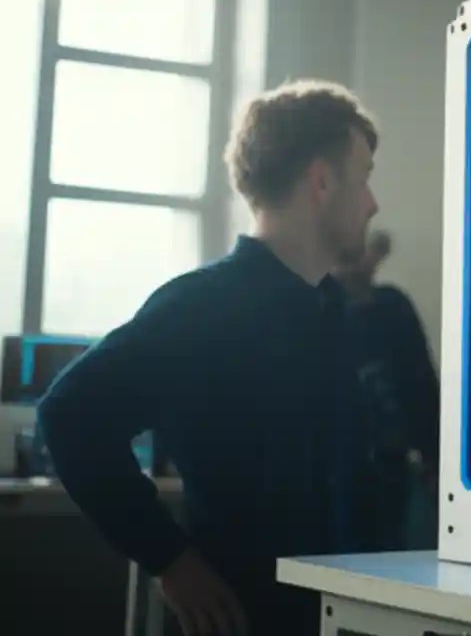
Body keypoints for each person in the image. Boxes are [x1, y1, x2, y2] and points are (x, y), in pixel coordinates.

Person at [37, 80, 381, 635]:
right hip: (247, 618)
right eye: (363, 178)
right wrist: (169, 559)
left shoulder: (338, 312)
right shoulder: (203, 307)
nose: (372, 203)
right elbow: (69, 415)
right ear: (321, 181)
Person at [332, 230, 440, 552]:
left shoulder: (393, 307)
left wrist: (435, 462)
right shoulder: (311, 311)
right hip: (338, 478)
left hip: (397, 469)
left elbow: (423, 388)